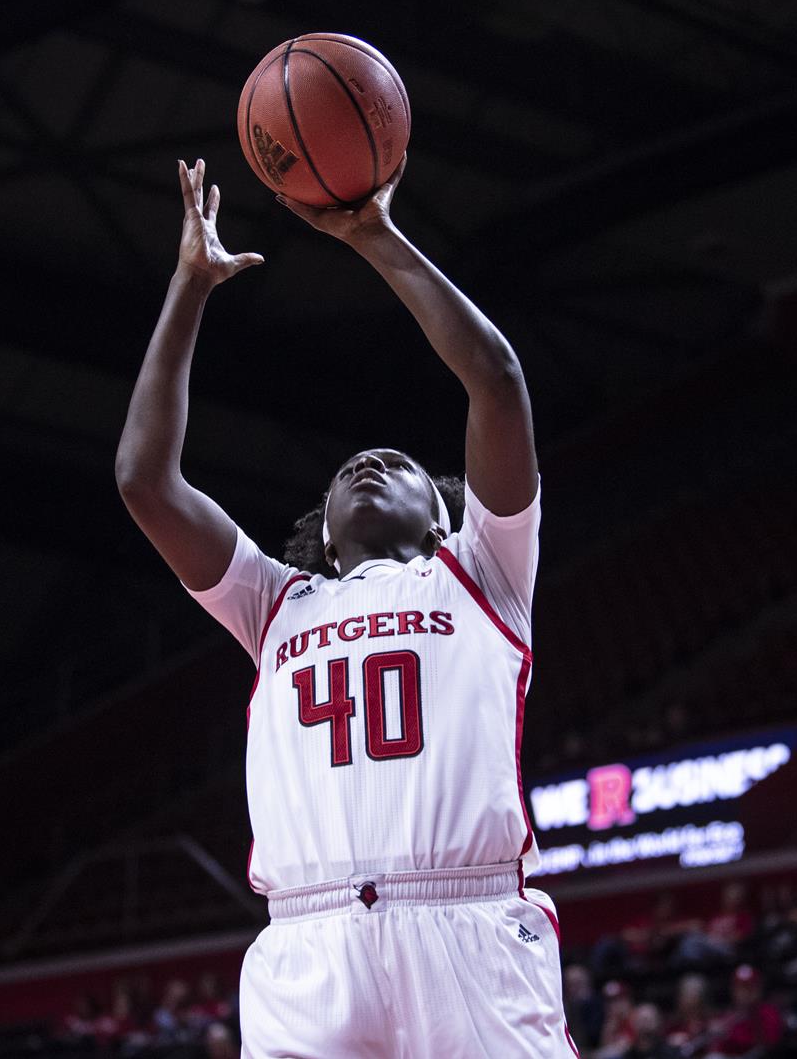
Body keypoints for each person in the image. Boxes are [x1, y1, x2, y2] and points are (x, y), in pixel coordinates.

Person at [116, 155, 561, 1057]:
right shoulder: (275, 604)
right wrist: (188, 288)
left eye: (395, 464)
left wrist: (373, 235)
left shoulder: (484, 570)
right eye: (348, 470)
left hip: (467, 922)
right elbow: (144, 479)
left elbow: (498, 379)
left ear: (446, 516)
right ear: (322, 531)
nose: (367, 465)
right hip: (307, 944)